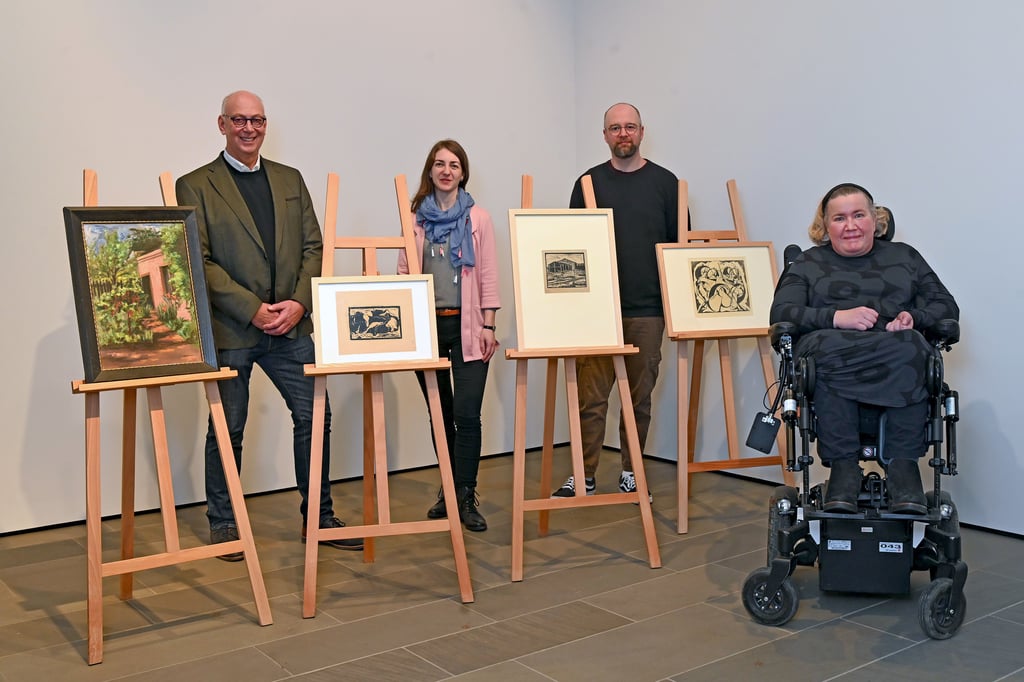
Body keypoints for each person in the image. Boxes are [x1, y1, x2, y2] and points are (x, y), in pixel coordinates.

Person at [176, 90, 362, 559]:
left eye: (257, 120)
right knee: (227, 426)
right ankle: (224, 522)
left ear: (265, 125)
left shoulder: (290, 179)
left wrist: (299, 303)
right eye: (239, 120)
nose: (249, 128)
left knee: (314, 417)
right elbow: (198, 261)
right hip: (233, 329)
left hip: (291, 328)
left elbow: (312, 248)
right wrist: (251, 308)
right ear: (221, 125)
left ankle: (318, 517)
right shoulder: (194, 185)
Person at [770, 183, 959, 514]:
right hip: (830, 349)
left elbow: (946, 308)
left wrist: (912, 317)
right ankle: (844, 469)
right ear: (825, 226)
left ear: (875, 219)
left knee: (913, 347)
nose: (851, 225)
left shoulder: (905, 257)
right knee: (827, 349)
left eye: (859, 215)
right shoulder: (807, 263)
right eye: (839, 218)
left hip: (895, 349)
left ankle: (904, 469)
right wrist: (837, 318)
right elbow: (781, 314)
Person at [556, 103, 678, 498]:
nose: (622, 134)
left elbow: (679, 251)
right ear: (605, 135)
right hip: (597, 312)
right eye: (614, 128)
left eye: (629, 127)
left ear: (642, 131)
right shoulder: (588, 184)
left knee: (638, 399)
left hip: (648, 310)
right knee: (589, 399)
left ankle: (632, 471)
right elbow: (573, 248)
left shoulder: (667, 184)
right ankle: (583, 473)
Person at [398, 139, 501, 532]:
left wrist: (489, 325)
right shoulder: (414, 221)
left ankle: (464, 495)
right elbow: (405, 275)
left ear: (463, 173)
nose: (446, 170)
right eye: (439, 164)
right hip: (427, 330)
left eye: (454, 165)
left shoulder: (480, 219)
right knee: (440, 416)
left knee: (467, 415)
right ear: (430, 171)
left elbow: (488, 274)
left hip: (470, 328)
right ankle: (447, 489)